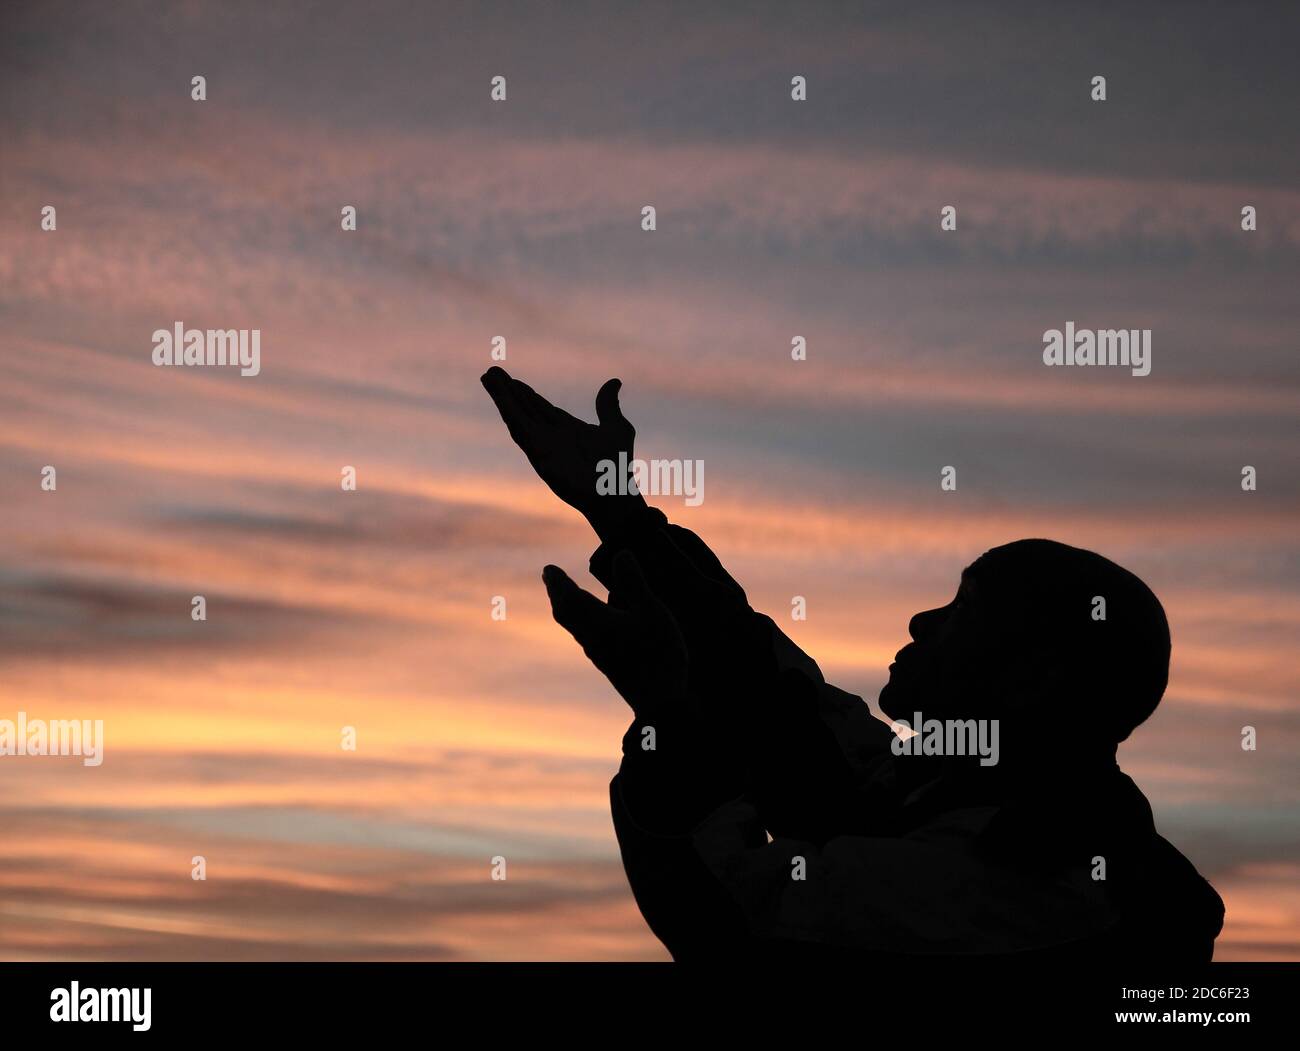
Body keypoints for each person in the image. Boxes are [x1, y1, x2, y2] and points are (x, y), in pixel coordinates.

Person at [481, 366, 1225, 962]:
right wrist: (620, 512)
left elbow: (737, 921)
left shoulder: (1034, 875)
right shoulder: (924, 792)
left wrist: (666, 716)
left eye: (965, 610)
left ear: (1035, 678)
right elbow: (779, 703)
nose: (920, 620)